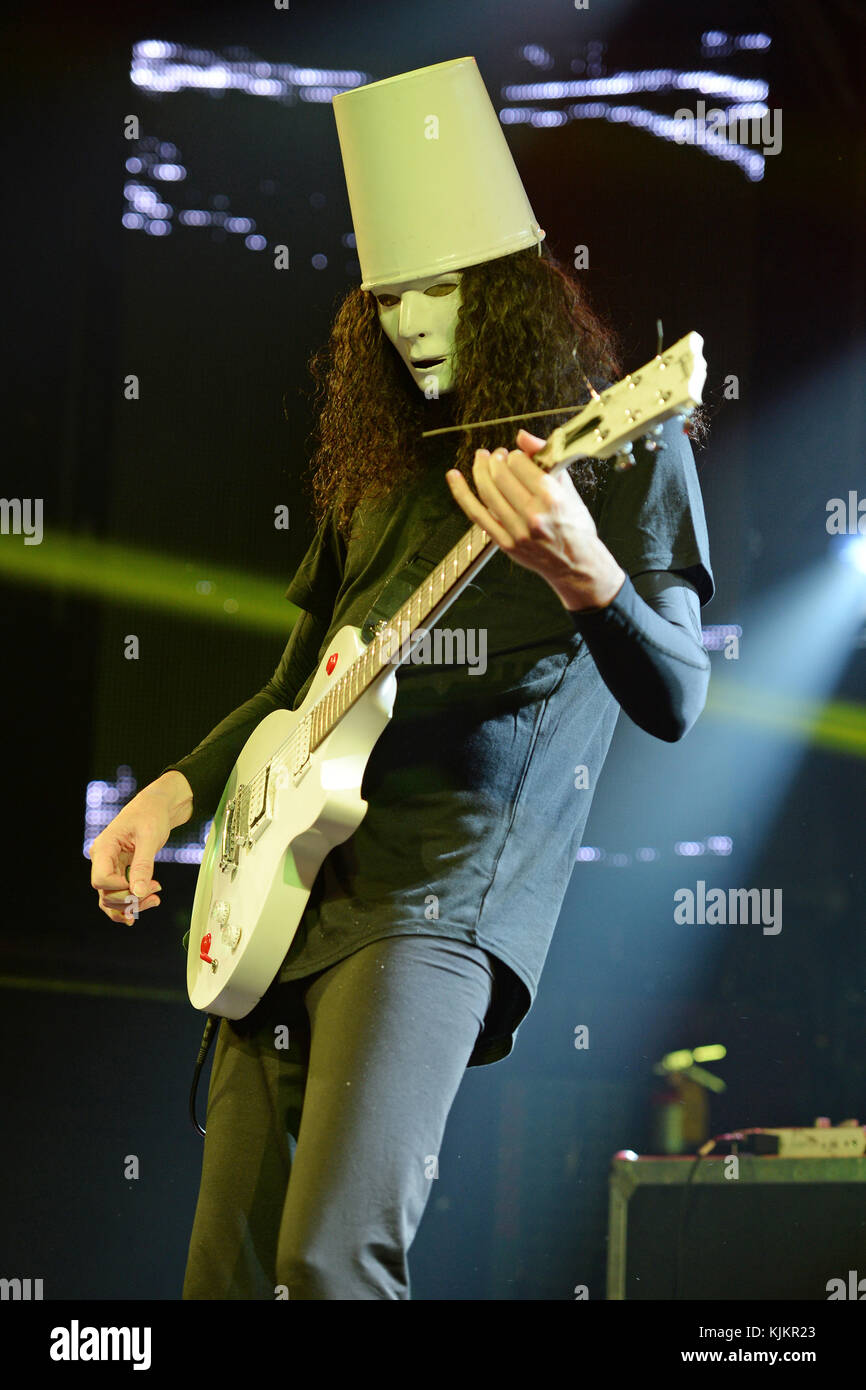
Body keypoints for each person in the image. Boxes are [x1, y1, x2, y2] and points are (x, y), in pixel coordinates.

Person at [88, 57, 714, 1300]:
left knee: (331, 1258)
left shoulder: (612, 453)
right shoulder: (380, 476)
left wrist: (587, 577)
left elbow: (680, 696)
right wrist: (169, 793)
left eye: (438, 291)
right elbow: (288, 692)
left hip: (439, 901)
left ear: (510, 293)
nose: (408, 323)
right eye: (384, 298)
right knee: (220, 1273)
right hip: (289, 899)